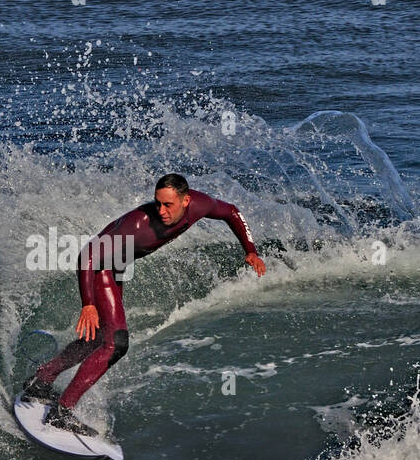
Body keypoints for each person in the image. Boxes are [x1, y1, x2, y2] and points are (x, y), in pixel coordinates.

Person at [22, 173, 266, 434]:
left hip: (118, 264)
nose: (161, 210)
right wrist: (88, 304)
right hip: (100, 267)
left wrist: (250, 249)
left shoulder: (200, 205)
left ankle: (43, 378)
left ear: (186, 201)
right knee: (116, 343)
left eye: (168, 205)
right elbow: (87, 256)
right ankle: (62, 411)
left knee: (99, 339)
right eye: (157, 203)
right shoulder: (138, 225)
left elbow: (231, 211)